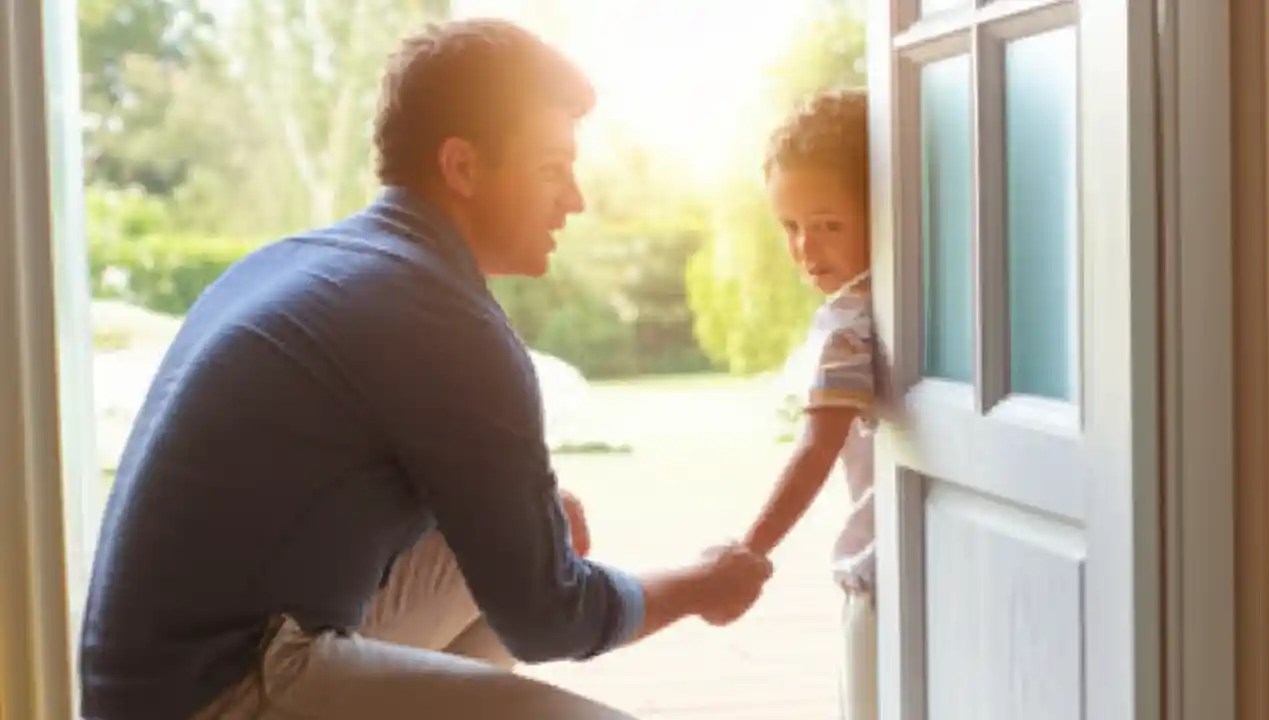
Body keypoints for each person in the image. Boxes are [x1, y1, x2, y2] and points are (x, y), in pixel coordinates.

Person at [79, 19, 773, 720]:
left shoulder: (312, 263)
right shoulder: (440, 317)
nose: (575, 199)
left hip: (174, 681)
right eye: (550, 169)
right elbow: (549, 618)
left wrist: (537, 540)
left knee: (529, 547)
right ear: (462, 167)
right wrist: (699, 586)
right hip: (219, 692)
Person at [740, 88, 880, 719]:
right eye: (790, 227)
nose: (805, 248)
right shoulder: (901, 299)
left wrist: (752, 548)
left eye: (829, 225)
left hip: (877, 573)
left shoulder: (850, 324)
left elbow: (817, 447)